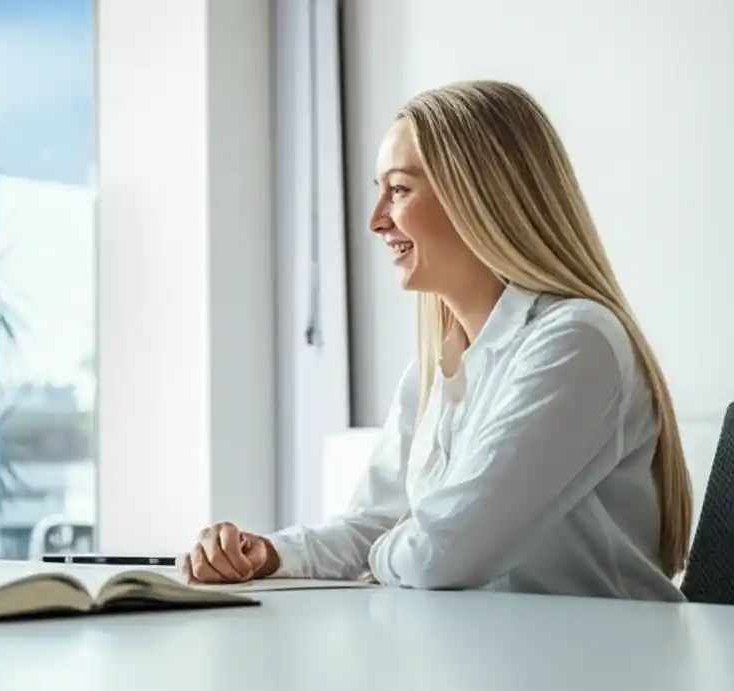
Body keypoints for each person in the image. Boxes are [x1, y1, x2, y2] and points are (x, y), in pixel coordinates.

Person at [179, 80, 692, 601]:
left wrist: (379, 554)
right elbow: (374, 523)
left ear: (480, 196)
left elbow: (441, 555)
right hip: (496, 659)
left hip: (602, 670)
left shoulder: (577, 343)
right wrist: (267, 554)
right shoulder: (437, 362)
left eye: (399, 190)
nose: (376, 219)